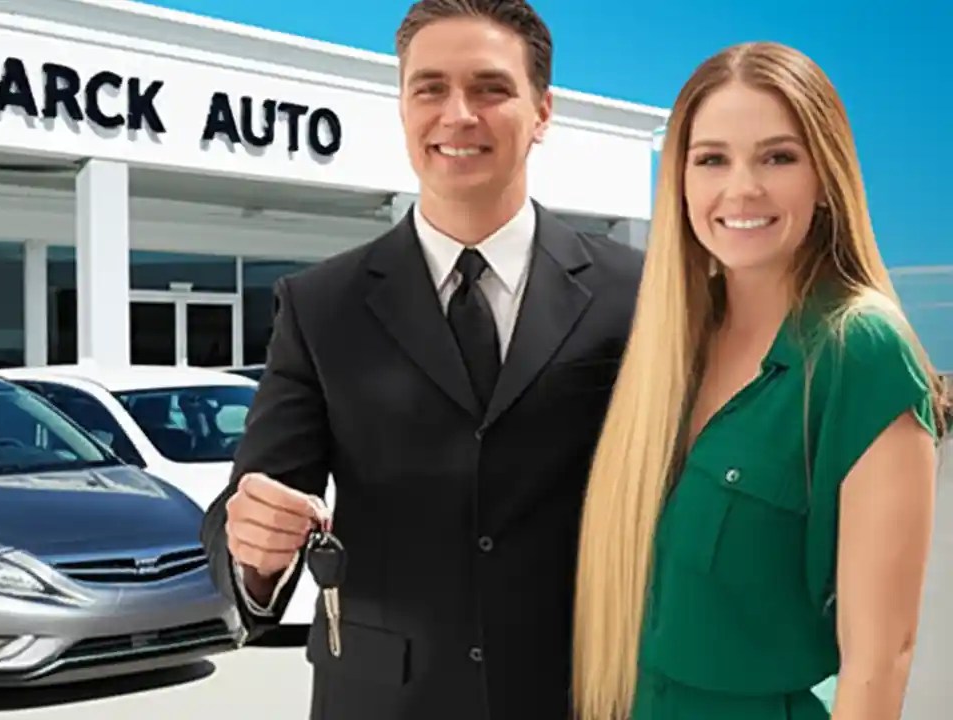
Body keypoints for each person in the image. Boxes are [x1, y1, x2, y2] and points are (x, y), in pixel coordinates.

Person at [198, 1, 643, 718]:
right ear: (402, 106)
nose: (457, 114)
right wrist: (252, 549)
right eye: (429, 88)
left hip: (581, 692)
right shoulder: (320, 306)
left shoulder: (636, 294)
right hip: (382, 698)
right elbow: (255, 498)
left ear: (543, 111)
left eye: (491, 88)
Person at [570, 41, 945, 720]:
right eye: (712, 158)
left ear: (825, 176)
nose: (742, 189)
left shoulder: (860, 351)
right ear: (680, 180)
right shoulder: (670, 345)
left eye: (778, 156)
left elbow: (879, 660)